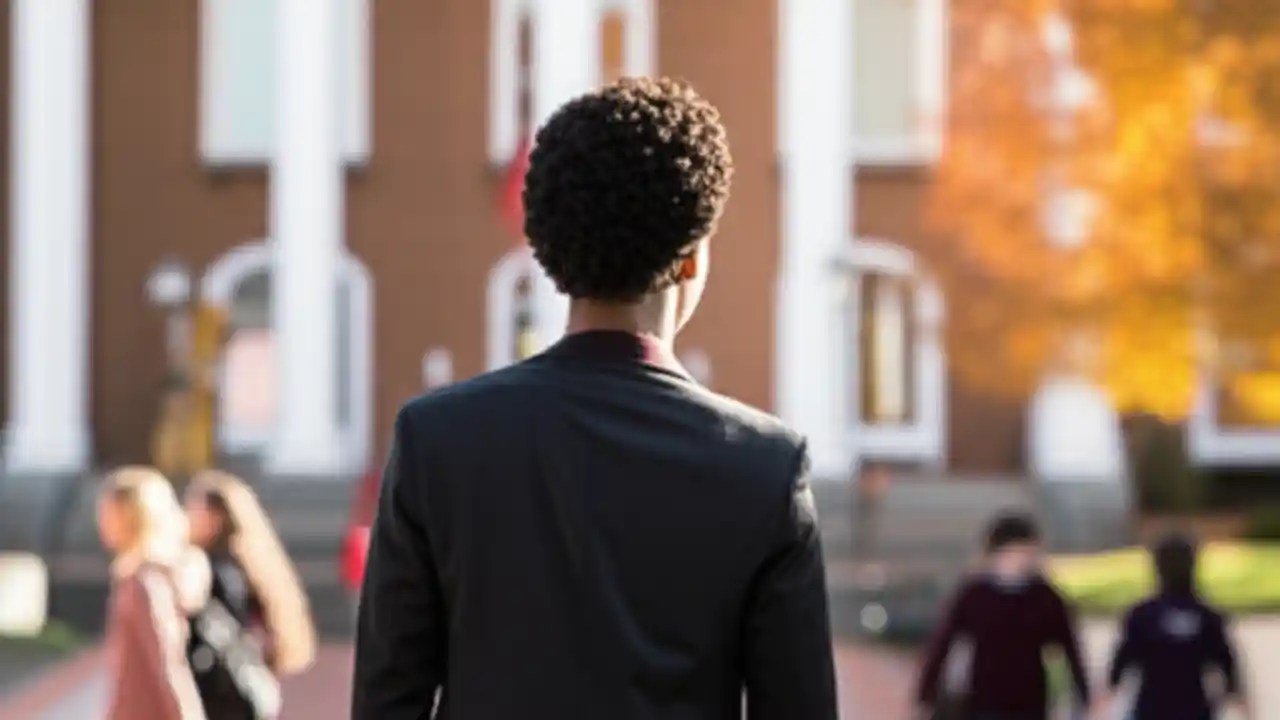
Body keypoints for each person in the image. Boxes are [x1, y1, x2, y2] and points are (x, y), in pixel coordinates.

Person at [353, 77, 838, 719]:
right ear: (691, 257)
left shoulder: (435, 440)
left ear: (549, 251)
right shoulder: (765, 466)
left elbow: (387, 702)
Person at [917, 512, 1090, 720]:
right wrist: (927, 691)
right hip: (983, 701)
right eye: (1019, 551)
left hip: (1030, 701)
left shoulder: (1045, 597)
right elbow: (944, 642)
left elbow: (1069, 645)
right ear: (998, 552)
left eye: (1030, 552)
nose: (1026, 559)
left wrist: (1082, 691)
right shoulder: (974, 595)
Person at [184, 470, 317, 720]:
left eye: (194, 509)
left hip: (222, 695)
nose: (186, 517)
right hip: (244, 689)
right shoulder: (249, 564)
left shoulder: (215, 571)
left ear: (217, 517)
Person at [1096, 534, 1250, 720]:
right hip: (1195, 711)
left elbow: (1119, 668)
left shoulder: (1141, 615)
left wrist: (1098, 708)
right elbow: (1229, 671)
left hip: (1150, 711)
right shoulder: (1207, 616)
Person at [98, 466, 207, 720]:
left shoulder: (143, 583)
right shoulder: (146, 576)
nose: (103, 523)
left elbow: (167, 662)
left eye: (110, 514)